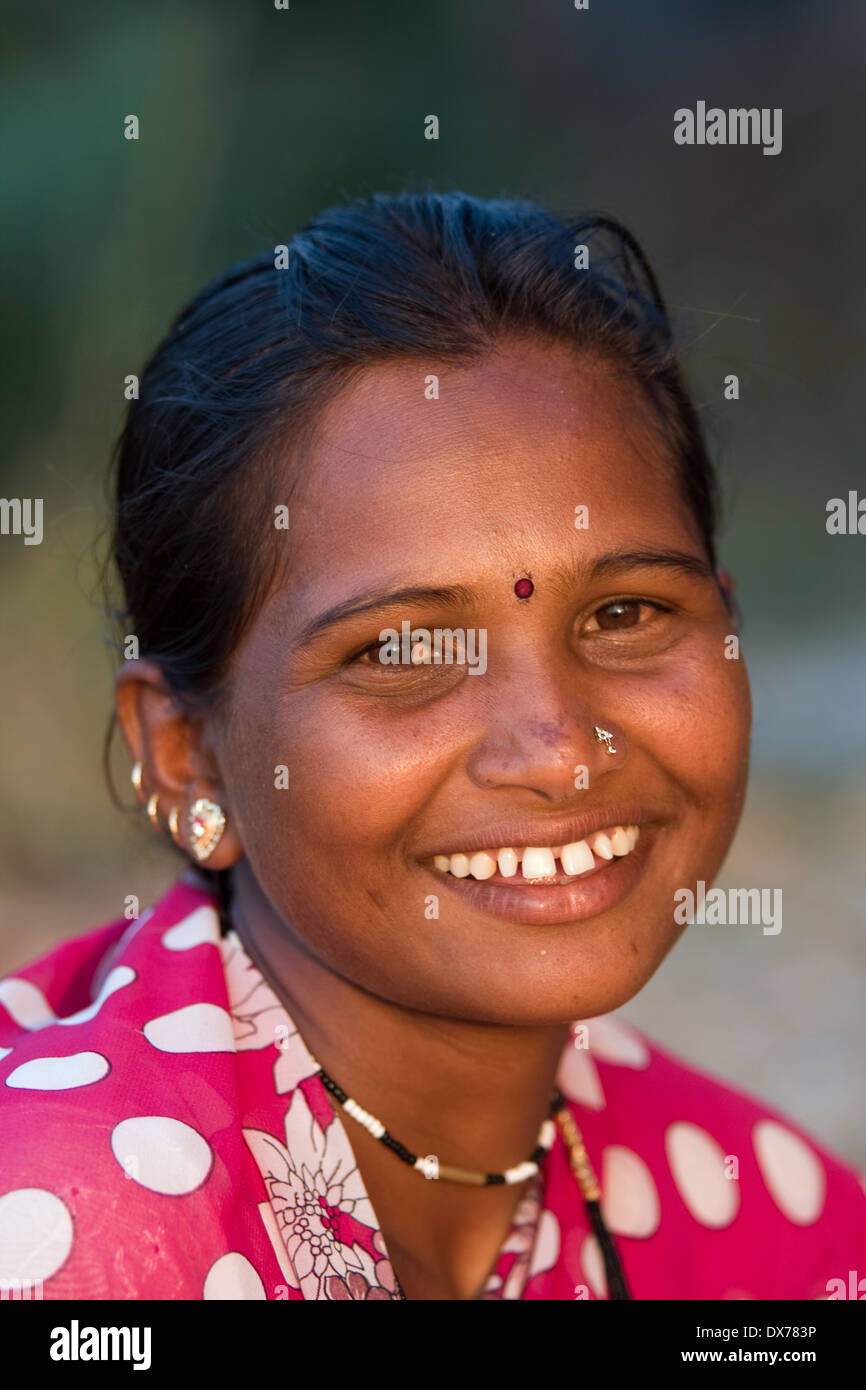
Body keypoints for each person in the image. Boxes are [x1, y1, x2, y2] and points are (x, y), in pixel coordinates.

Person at [0, 193, 862, 1301]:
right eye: (404, 649)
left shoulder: (768, 1232)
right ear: (185, 753)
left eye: (624, 614)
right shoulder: (77, 1241)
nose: (557, 750)